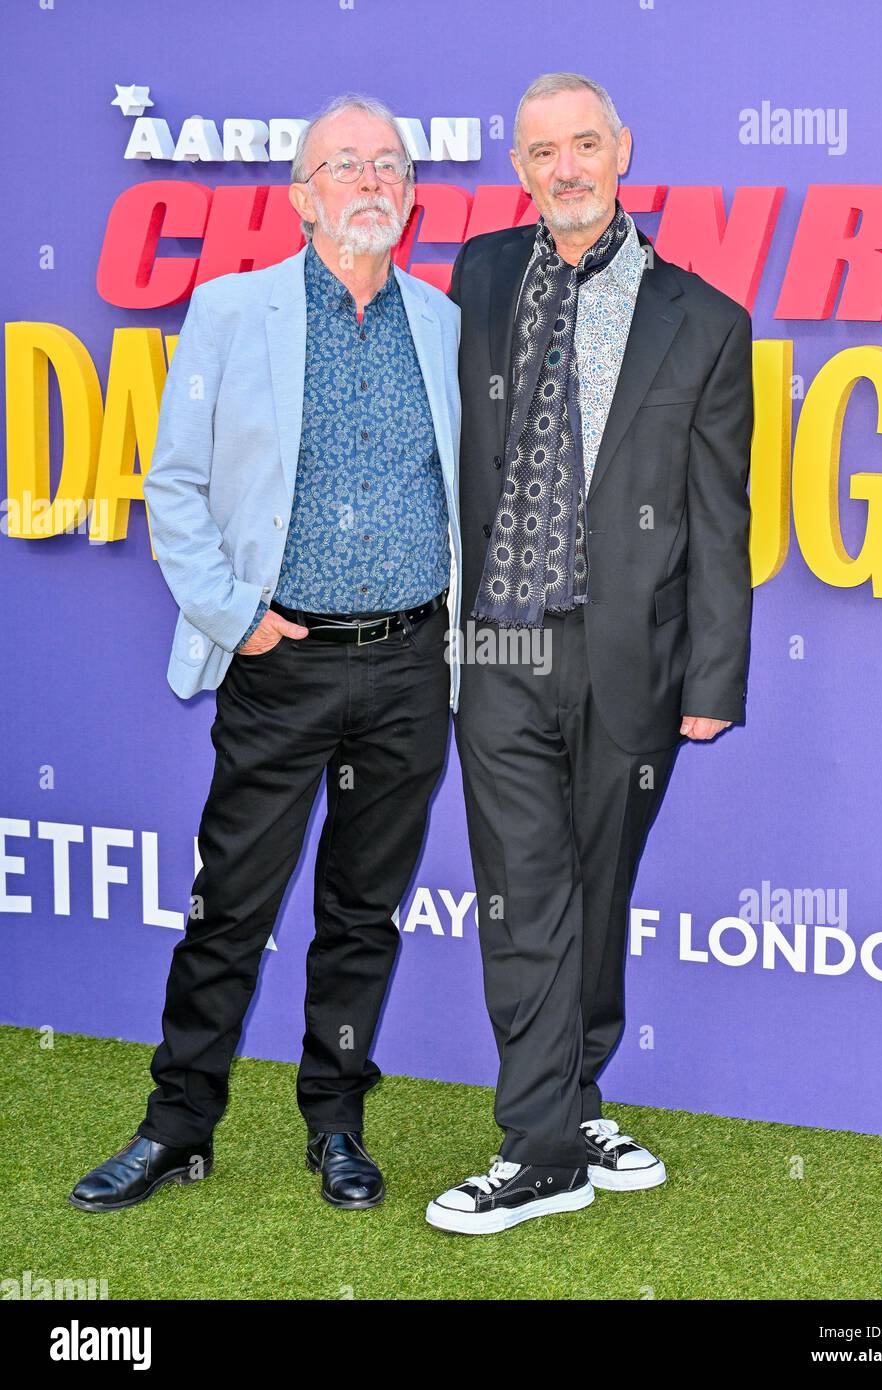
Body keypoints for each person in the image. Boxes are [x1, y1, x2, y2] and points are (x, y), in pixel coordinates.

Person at [70, 93, 462, 1214]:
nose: (372, 181)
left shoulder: (436, 323)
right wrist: (233, 615)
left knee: (360, 910)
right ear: (300, 196)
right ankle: (175, 1124)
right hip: (280, 663)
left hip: (408, 665)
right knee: (230, 904)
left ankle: (336, 1124)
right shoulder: (232, 312)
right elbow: (175, 486)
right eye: (345, 164)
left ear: (412, 193)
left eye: (390, 164)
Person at [427, 72, 753, 1235]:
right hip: (501, 642)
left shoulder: (706, 320)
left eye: (583, 146)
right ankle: (542, 1146)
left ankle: (578, 1088)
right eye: (539, 152)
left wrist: (713, 680)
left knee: (597, 891)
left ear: (622, 150)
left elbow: (721, 518)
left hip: (632, 660)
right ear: (519, 169)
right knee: (524, 893)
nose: (563, 169)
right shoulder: (475, 276)